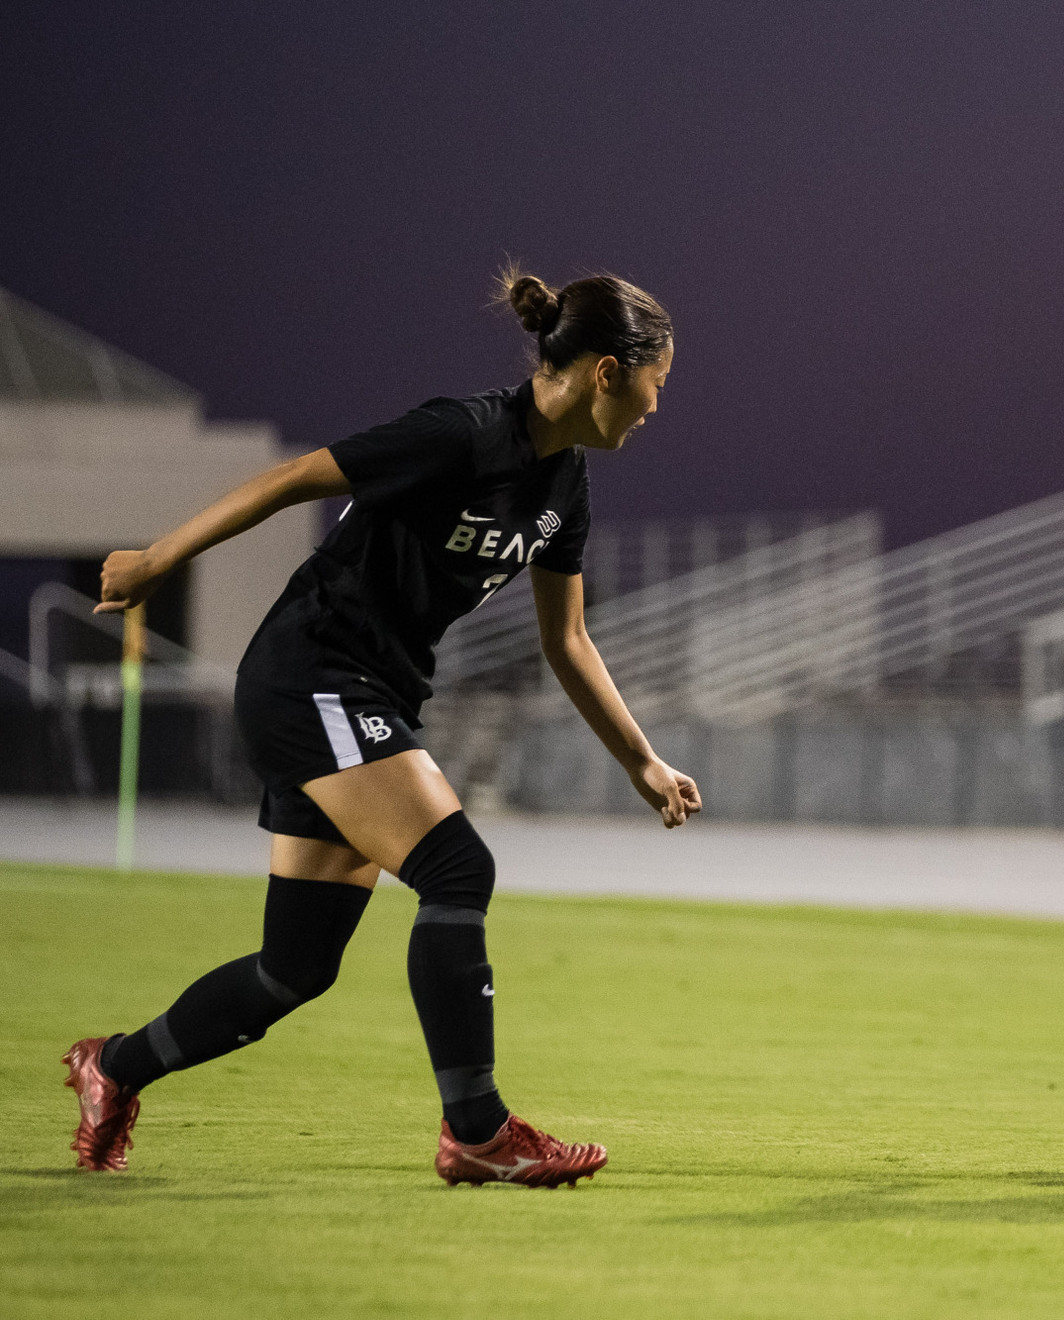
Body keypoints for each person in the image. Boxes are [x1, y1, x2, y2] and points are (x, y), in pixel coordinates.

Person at [63, 271, 702, 1187]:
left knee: (295, 970)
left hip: (373, 694)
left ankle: (112, 1068)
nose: (655, 407)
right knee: (456, 866)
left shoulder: (565, 483)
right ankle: (478, 1132)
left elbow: (566, 640)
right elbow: (294, 479)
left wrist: (640, 759)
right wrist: (160, 560)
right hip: (311, 673)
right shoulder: (461, 433)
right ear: (609, 370)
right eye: (658, 384)